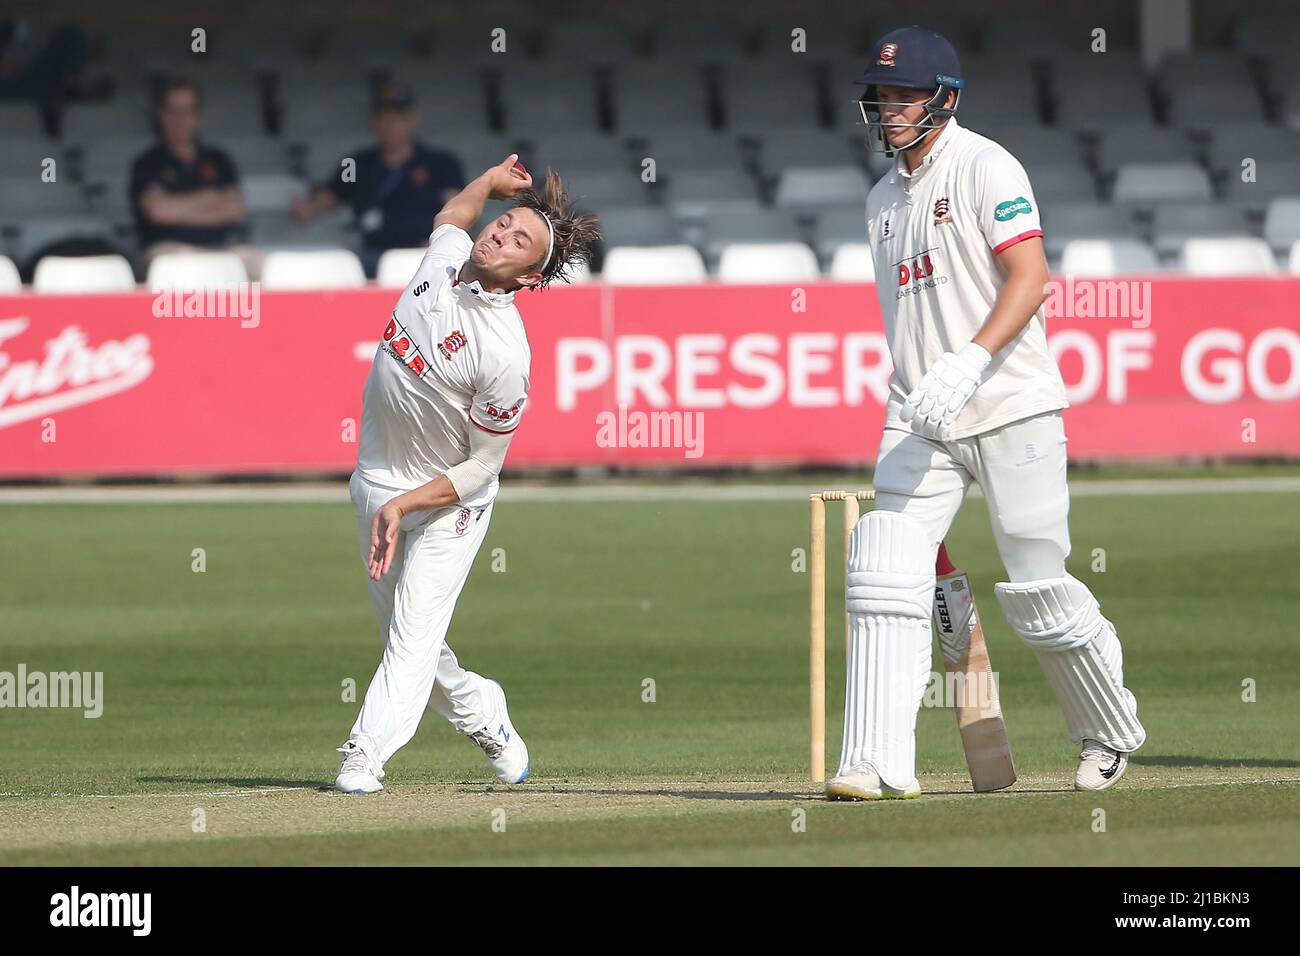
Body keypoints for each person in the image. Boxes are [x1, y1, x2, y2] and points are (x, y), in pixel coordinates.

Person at [826, 26, 1146, 801]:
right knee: (883, 567)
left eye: (904, 94)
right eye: (882, 93)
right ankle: (876, 761)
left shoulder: (985, 163)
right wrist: (916, 388)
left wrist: (969, 361)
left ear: (945, 98)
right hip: (919, 413)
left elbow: (1030, 278)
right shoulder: (880, 200)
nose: (888, 106)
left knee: (1037, 584)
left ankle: (1107, 729)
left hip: (1010, 402)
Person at [335, 155, 601, 794]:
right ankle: (484, 712)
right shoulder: (445, 258)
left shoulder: (507, 352)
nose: (498, 235)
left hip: (449, 506)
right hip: (376, 483)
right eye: (502, 223)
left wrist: (405, 507)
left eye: (517, 241)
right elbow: (452, 216)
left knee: (409, 639)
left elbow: (482, 466)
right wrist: (485, 183)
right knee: (415, 646)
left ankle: (363, 755)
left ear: (531, 277)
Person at [292, 83, 465, 278]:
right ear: (374, 122)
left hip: (424, 253)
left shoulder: (440, 163)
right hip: (371, 256)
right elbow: (329, 197)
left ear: (412, 120)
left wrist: (442, 242)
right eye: (382, 117)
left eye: (397, 117)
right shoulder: (357, 163)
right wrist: (306, 207)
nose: (388, 124)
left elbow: (459, 210)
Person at [129, 78, 255, 276]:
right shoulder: (147, 162)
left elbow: (235, 209)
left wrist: (177, 208)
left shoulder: (218, 159)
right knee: (178, 264)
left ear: (198, 114)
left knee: (258, 262)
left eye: (187, 111)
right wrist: (209, 198)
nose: (180, 119)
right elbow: (158, 211)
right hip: (167, 249)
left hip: (219, 247)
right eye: (173, 110)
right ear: (161, 114)